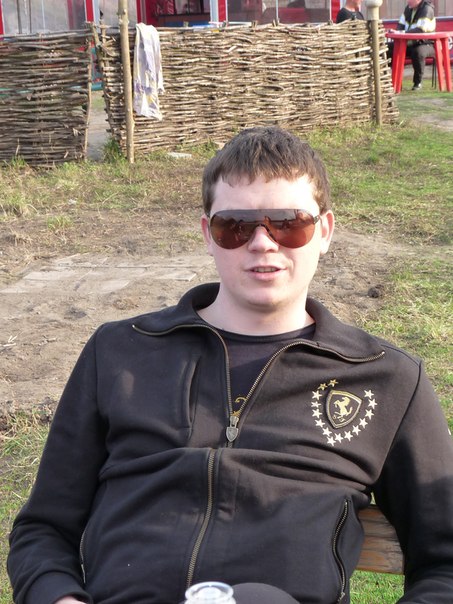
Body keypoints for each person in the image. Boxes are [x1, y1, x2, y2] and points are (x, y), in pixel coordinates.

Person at [7, 126, 453, 604]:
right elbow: (43, 528)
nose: (262, 243)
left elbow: (444, 561)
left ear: (324, 231)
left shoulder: (385, 378)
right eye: (235, 226)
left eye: (289, 223)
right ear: (208, 235)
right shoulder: (120, 351)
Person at [387, 0, 436, 90]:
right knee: (386, 48)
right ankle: (394, 82)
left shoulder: (427, 9)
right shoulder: (408, 9)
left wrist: (401, 33)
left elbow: (420, 30)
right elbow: (400, 25)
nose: (408, 1)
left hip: (425, 43)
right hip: (408, 43)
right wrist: (396, 32)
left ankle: (417, 83)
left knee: (417, 52)